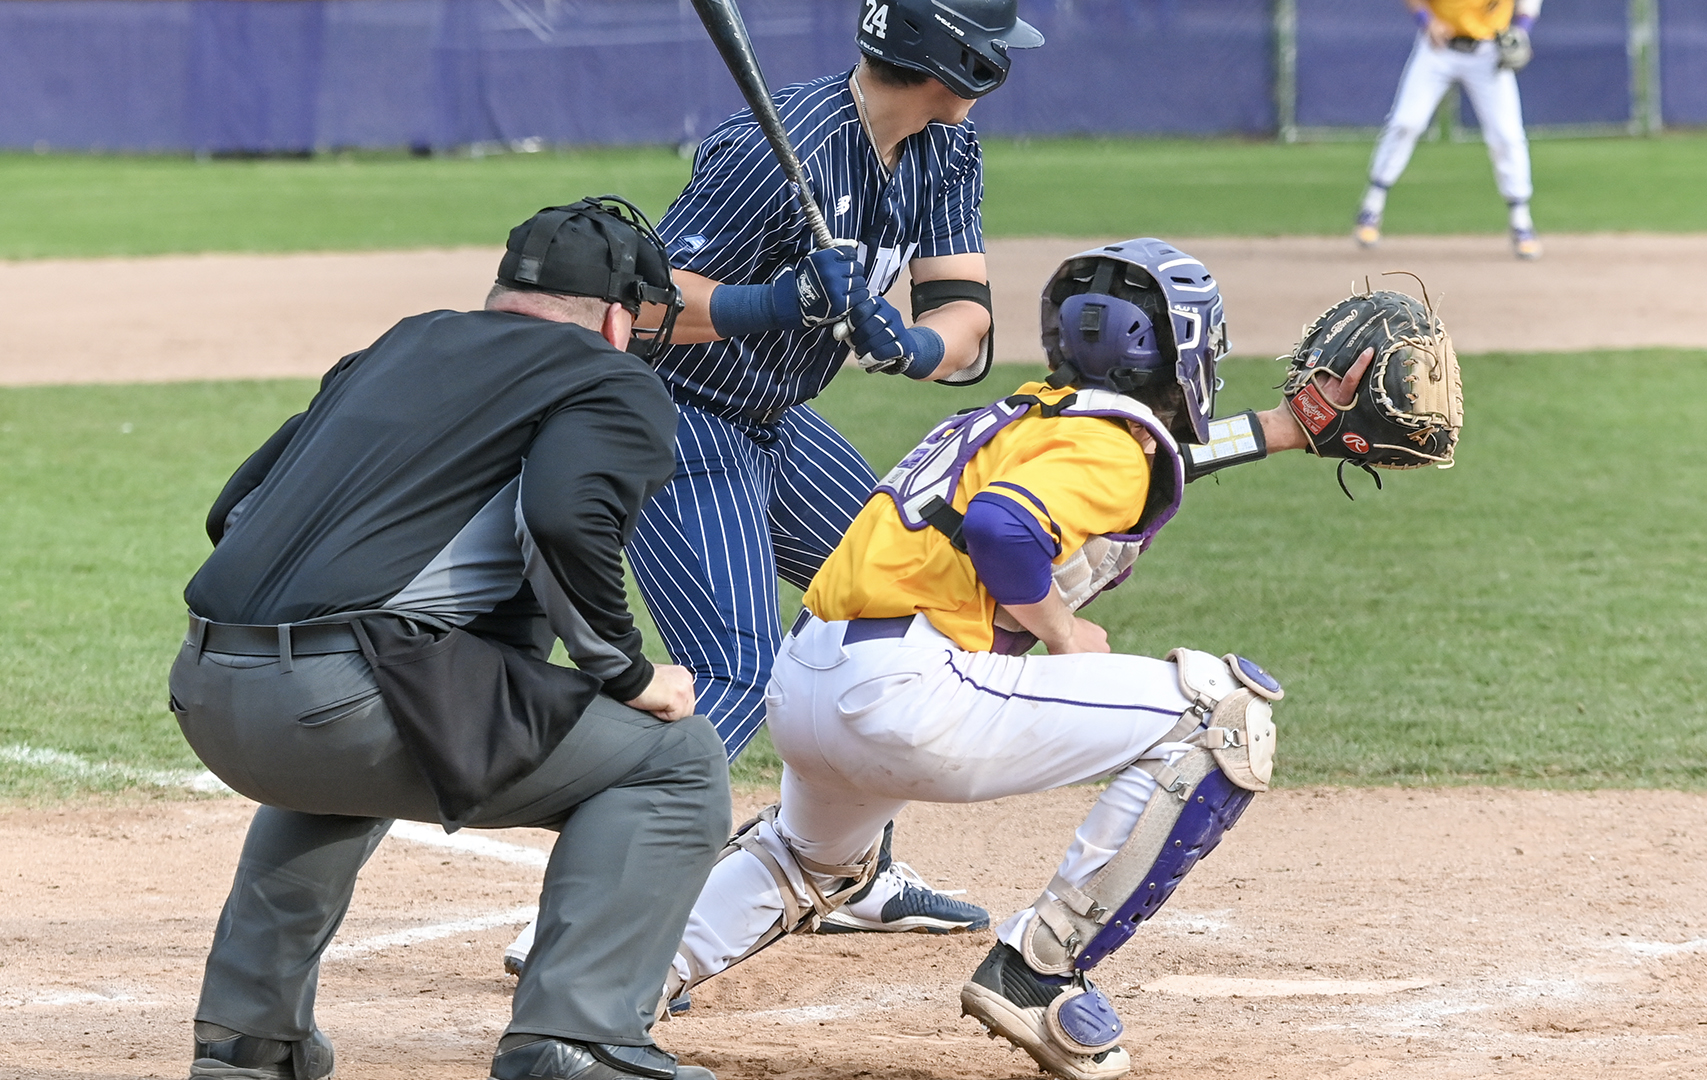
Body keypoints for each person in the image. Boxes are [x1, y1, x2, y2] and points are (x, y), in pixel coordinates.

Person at [646, 240, 1374, 1080]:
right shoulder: (1106, 446)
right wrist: (1061, 628)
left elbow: (1144, 465)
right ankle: (1040, 970)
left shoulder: (1033, 416)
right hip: (909, 694)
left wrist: (1288, 430)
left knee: (809, 858)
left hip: (812, 678)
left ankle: (615, 983)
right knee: (1219, 720)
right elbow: (1004, 527)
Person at [504, 0, 1043, 971]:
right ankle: (590, 907)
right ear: (951, 59)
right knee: (735, 670)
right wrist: (779, 301)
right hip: (672, 414)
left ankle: (853, 869)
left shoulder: (941, 149)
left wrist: (912, 342)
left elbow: (967, 320)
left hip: (770, 418)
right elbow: (638, 305)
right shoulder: (778, 150)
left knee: (913, 584)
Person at [169, 197, 731, 1080]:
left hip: (206, 688)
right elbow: (562, 520)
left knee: (356, 766)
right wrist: (625, 673)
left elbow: (234, 512)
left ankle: (248, 1038)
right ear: (620, 317)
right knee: (678, 759)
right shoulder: (611, 376)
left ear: (503, 291)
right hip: (337, 697)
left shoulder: (400, 344)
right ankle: (575, 1037)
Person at [1353, 0, 1545, 260]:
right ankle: (1372, 206)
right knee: (1406, 123)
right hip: (1438, 48)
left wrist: (1522, 29)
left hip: (1489, 51)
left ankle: (1521, 221)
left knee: (1507, 136)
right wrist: (1426, 20)